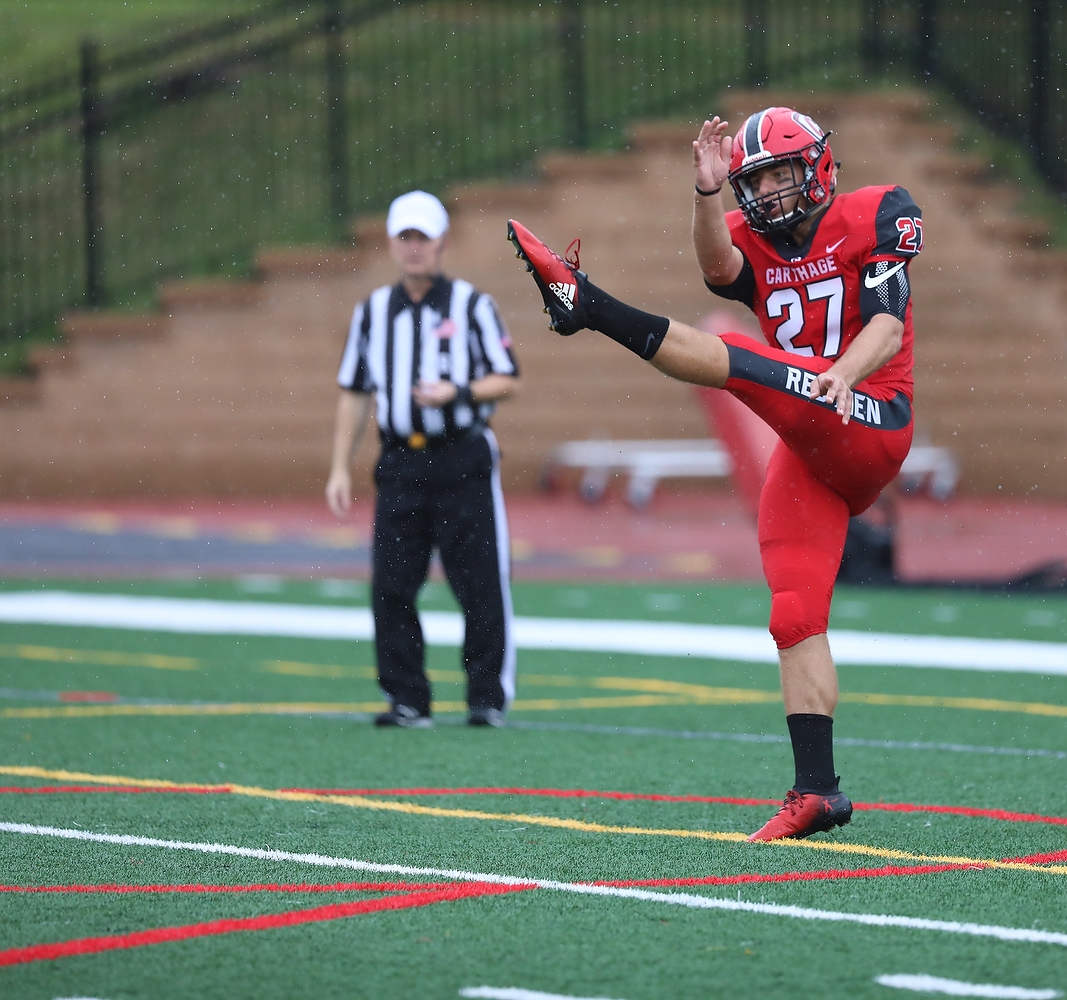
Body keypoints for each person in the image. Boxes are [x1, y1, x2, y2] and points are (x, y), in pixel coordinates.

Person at [506, 106, 922, 840]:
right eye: (751, 183)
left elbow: (887, 324)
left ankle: (587, 304)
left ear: (818, 167)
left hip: (869, 414)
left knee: (741, 360)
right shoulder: (745, 237)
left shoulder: (877, 212)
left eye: (779, 176)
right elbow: (717, 268)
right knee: (793, 613)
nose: (765, 194)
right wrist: (706, 193)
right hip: (808, 445)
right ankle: (817, 791)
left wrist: (843, 375)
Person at [326, 190, 520, 729]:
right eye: (405, 237)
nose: (414, 247)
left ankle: (486, 696)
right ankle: (407, 697)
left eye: (423, 237)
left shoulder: (473, 306)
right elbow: (354, 391)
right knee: (392, 584)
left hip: (462, 458)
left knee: (479, 583)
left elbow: (507, 378)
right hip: (400, 463)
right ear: (393, 244)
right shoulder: (372, 313)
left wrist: (458, 393)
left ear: (442, 244)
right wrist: (339, 465)